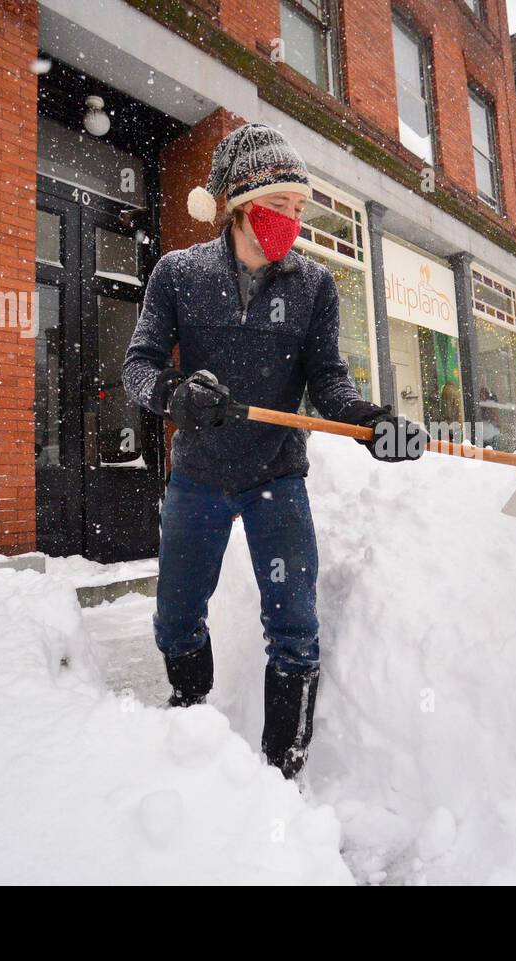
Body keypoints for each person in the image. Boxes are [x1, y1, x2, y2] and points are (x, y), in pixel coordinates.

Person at [123, 122, 426, 779]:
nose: (294, 219)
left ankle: (282, 775)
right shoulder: (177, 275)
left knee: (294, 628)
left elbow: (331, 384)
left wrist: (373, 422)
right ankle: (191, 723)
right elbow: (139, 368)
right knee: (176, 618)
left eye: (299, 207)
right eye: (281, 205)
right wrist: (177, 395)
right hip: (198, 477)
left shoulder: (313, 287)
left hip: (276, 478)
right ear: (238, 202)